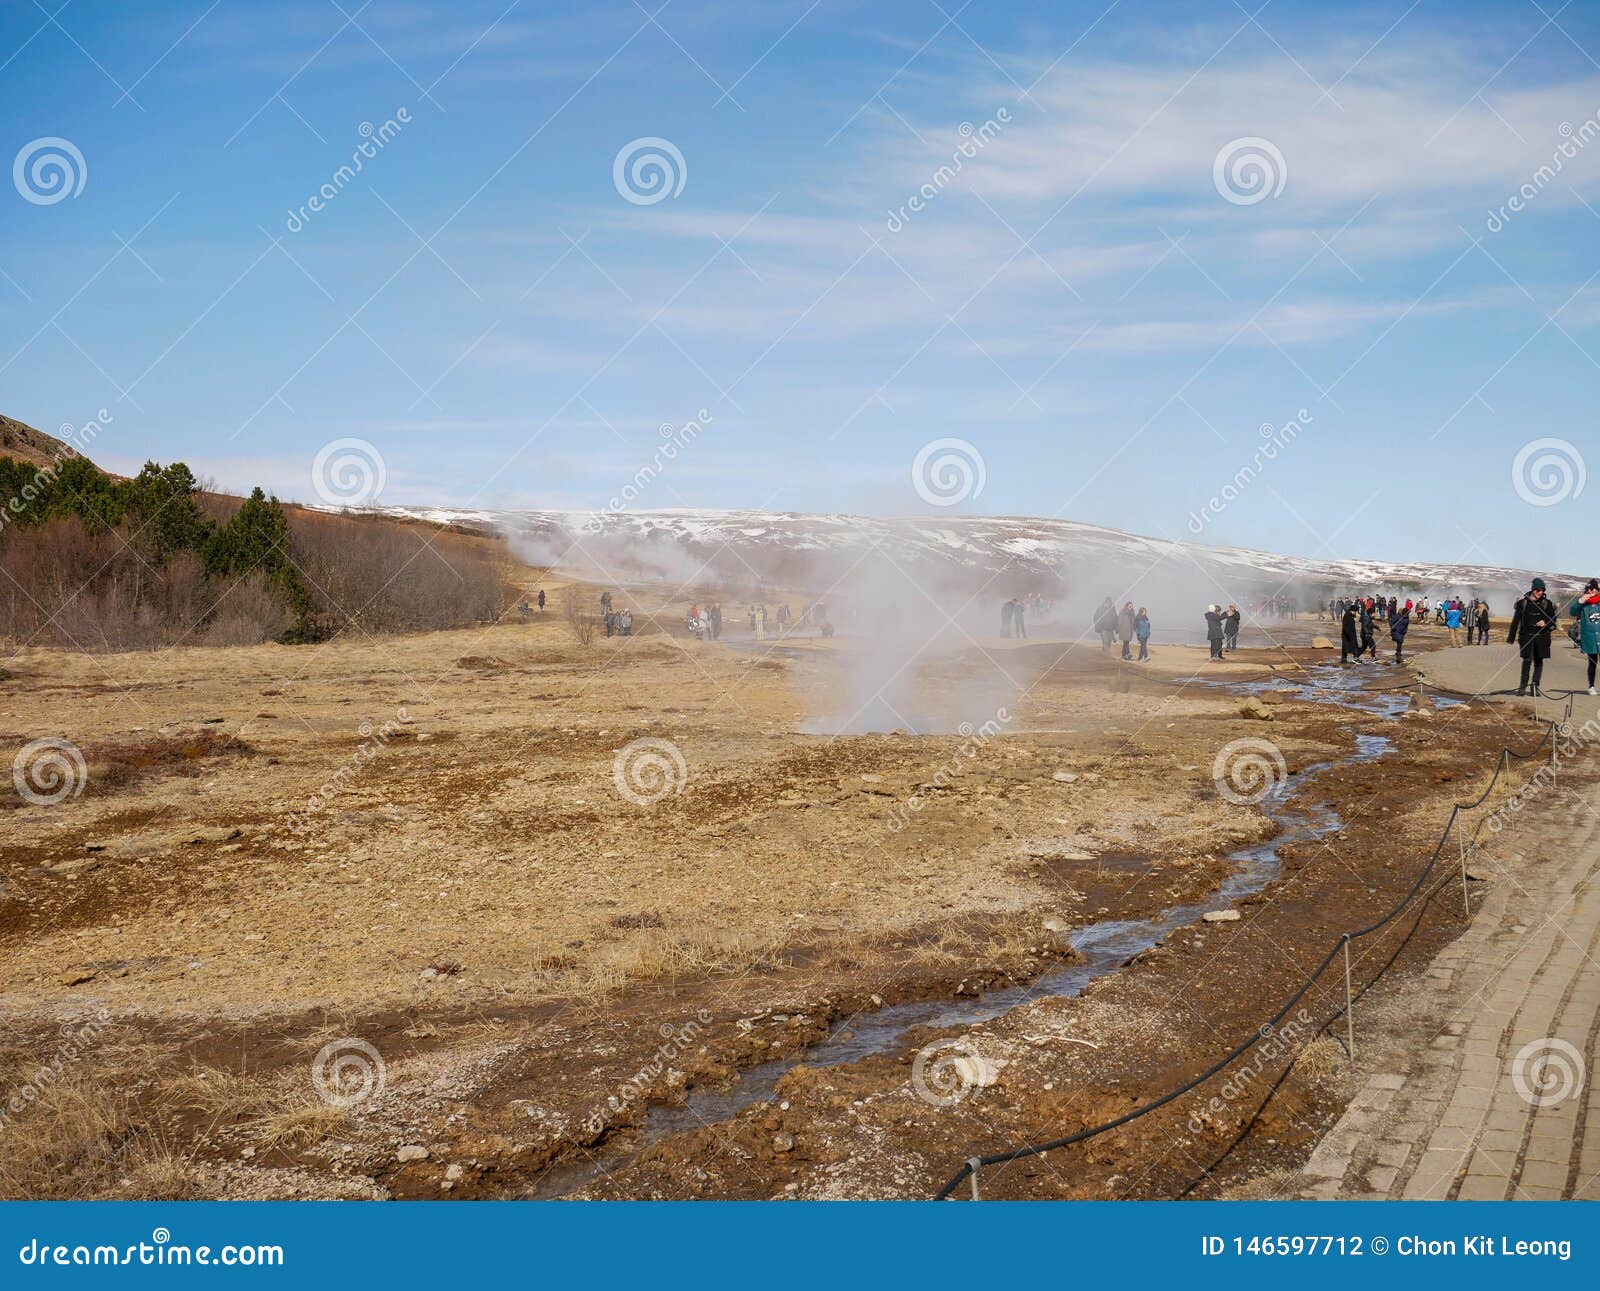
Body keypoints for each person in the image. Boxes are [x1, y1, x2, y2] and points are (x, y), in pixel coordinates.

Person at [1507, 578, 1557, 696]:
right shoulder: (1522, 603)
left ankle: (1535, 687)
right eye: (1538, 590)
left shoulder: (1547, 603)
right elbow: (1515, 621)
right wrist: (1511, 638)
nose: (1540, 592)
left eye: (1542, 590)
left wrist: (1545, 622)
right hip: (1526, 637)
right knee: (1527, 661)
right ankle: (1522, 687)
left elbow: (1553, 620)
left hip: (1542, 638)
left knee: (1539, 662)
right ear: (1533, 589)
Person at [1571, 579, 1600, 695]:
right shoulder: (1583, 605)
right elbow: (1572, 612)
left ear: (1597, 590)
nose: (1590, 591)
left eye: (1592, 588)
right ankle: (1591, 686)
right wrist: (1581, 601)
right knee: (1592, 662)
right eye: (1588, 589)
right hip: (1590, 638)